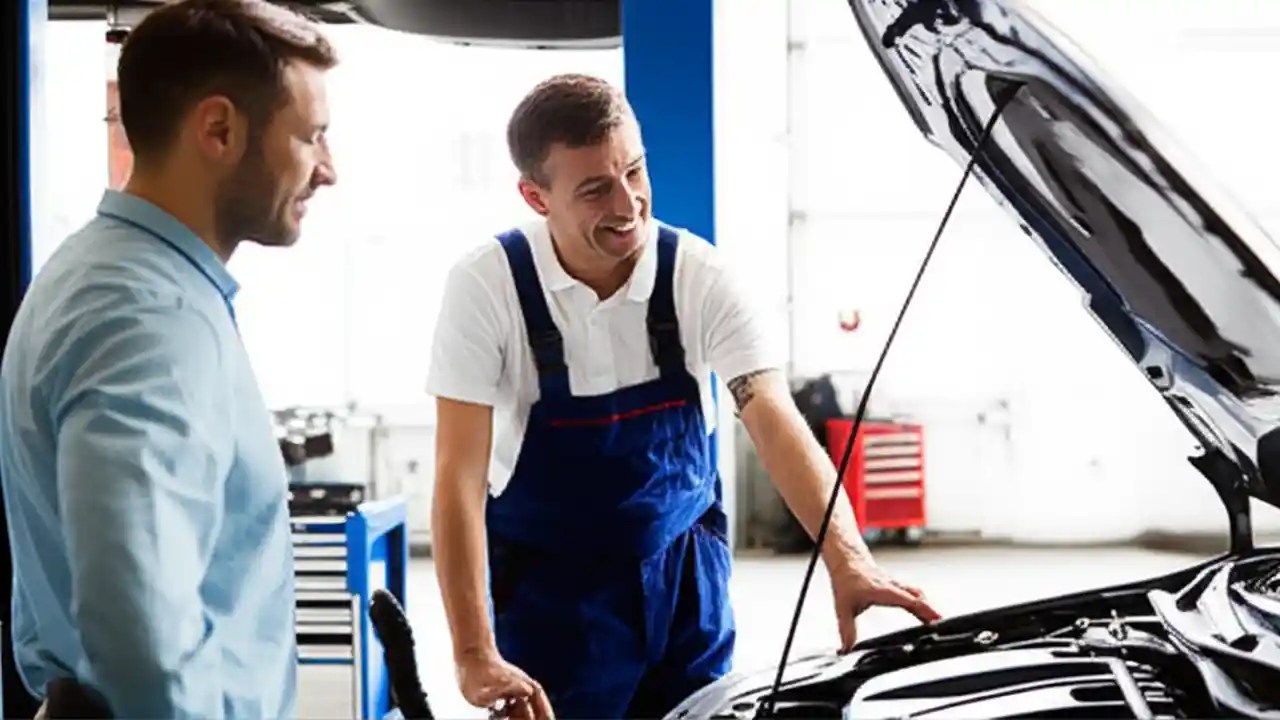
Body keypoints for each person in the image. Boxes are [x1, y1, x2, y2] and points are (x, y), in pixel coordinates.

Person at [427, 73, 942, 720]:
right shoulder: (487, 288)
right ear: (536, 196)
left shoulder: (697, 276)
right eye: (594, 189)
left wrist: (849, 559)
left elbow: (773, 417)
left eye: (634, 172)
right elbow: (458, 477)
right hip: (553, 593)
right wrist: (473, 651)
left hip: (684, 580)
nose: (629, 203)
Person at [0, 0, 338, 716]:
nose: (327, 170)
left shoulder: (104, 270)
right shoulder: (147, 315)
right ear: (218, 129)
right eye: (311, 138)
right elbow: (138, 627)